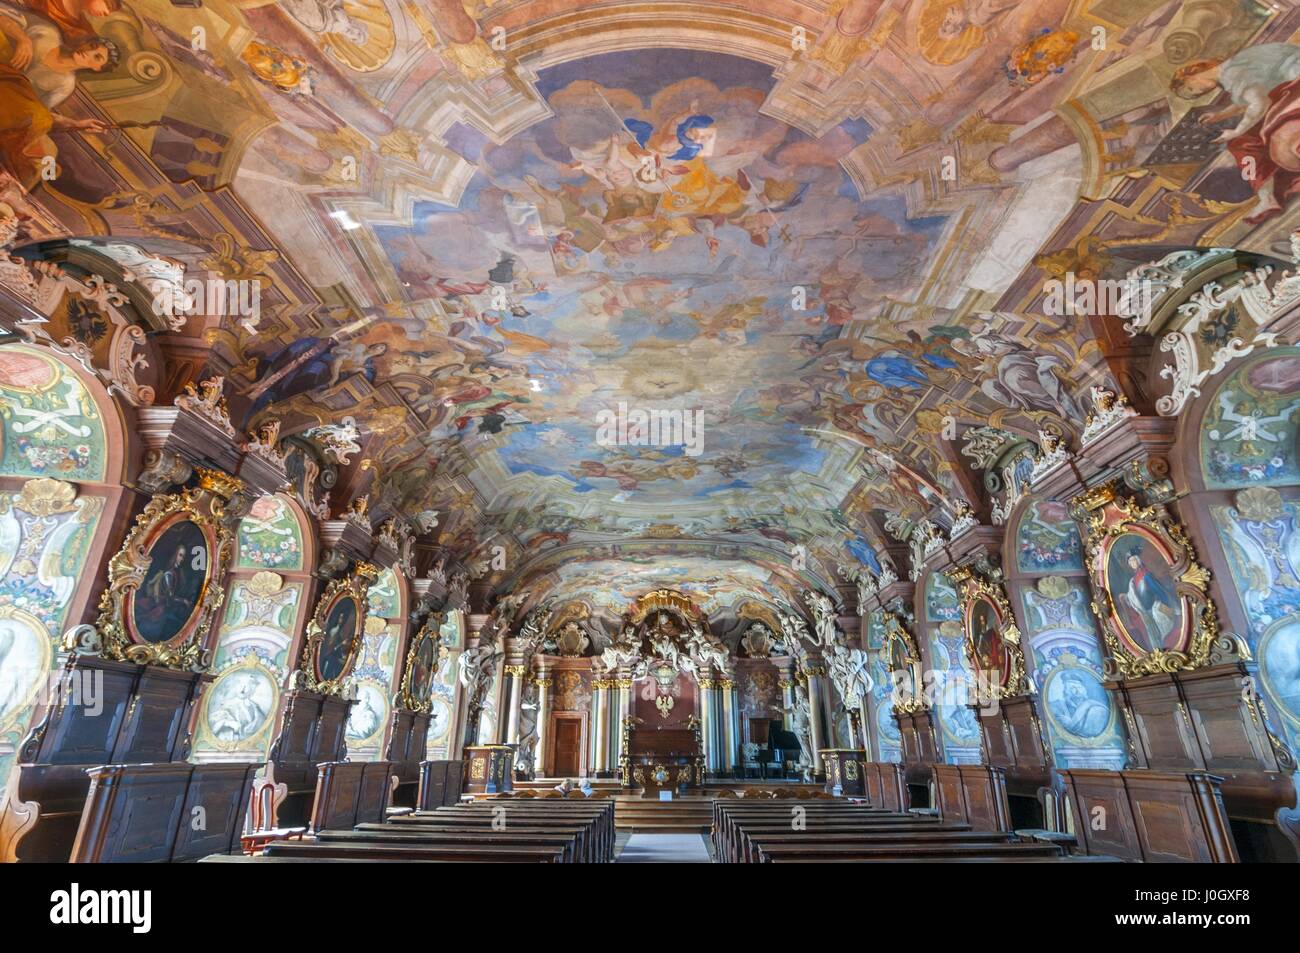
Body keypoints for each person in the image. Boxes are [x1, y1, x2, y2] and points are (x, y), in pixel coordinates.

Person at [1172, 45, 1300, 224]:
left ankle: (1267, 197)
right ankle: (1268, 194)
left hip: (1295, 84)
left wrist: (1236, 131)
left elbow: (1258, 102)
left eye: (1190, 89)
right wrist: (1221, 115)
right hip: (1290, 81)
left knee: (1241, 144)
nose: (1197, 93)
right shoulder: (1233, 65)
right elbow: (1252, 94)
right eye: (1193, 96)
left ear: (1190, 74)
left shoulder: (1232, 73)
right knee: (1246, 139)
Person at [1118, 545, 1180, 651]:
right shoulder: (1133, 581)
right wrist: (1125, 597)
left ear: (1138, 560)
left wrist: (1169, 606)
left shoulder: (1146, 576)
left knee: (1162, 635)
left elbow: (1160, 592)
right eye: (1130, 562)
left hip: (1154, 610)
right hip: (1146, 614)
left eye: (1134, 560)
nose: (1133, 563)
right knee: (1153, 637)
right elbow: (1134, 597)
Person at [1054, 671, 1109, 737]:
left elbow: (1093, 731)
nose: (1064, 692)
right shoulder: (1061, 706)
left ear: (1076, 691)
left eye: (1066, 689)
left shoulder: (1097, 708)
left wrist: (1069, 724)